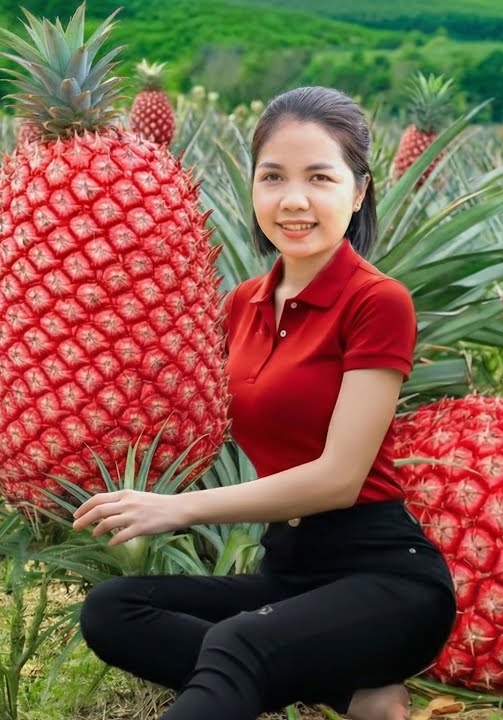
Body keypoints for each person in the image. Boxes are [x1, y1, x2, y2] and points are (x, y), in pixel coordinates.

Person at [73, 86, 457, 720]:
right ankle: (354, 691)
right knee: (114, 608)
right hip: (290, 572)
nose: (294, 200)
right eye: (273, 176)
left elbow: (339, 478)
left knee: (239, 642)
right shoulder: (243, 304)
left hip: (387, 580)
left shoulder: (377, 302)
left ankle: (292, 665)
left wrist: (177, 509)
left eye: (319, 178)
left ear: (357, 191)